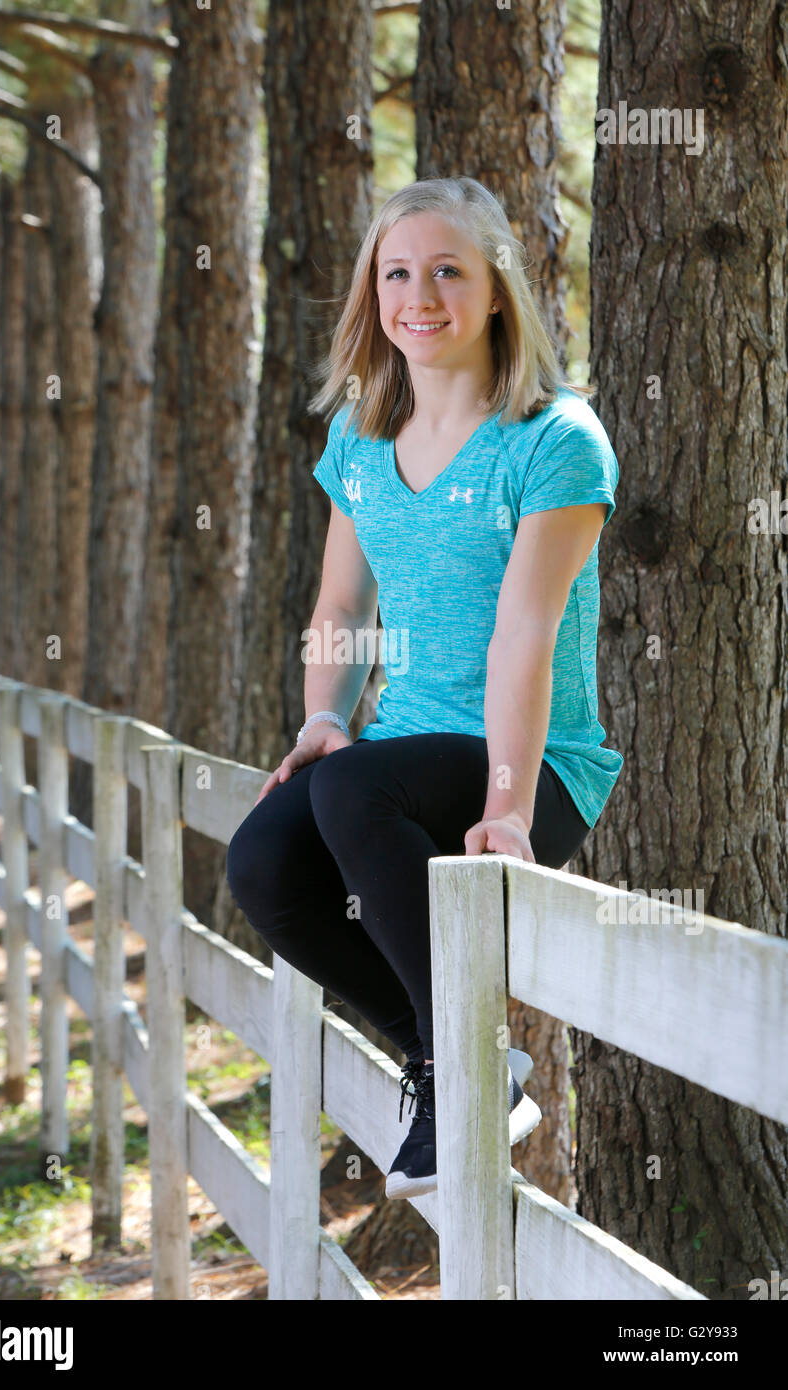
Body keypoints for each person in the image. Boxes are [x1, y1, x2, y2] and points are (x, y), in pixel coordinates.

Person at [226, 175, 623, 1202]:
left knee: (353, 788)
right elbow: (341, 604)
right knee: (262, 853)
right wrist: (322, 714)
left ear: (496, 290)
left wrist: (505, 803)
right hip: (397, 768)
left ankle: (463, 1070)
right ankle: (454, 1057)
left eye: (449, 269)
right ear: (373, 294)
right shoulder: (359, 440)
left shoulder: (552, 440)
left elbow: (522, 635)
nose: (421, 294)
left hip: (533, 765)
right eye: (397, 272)